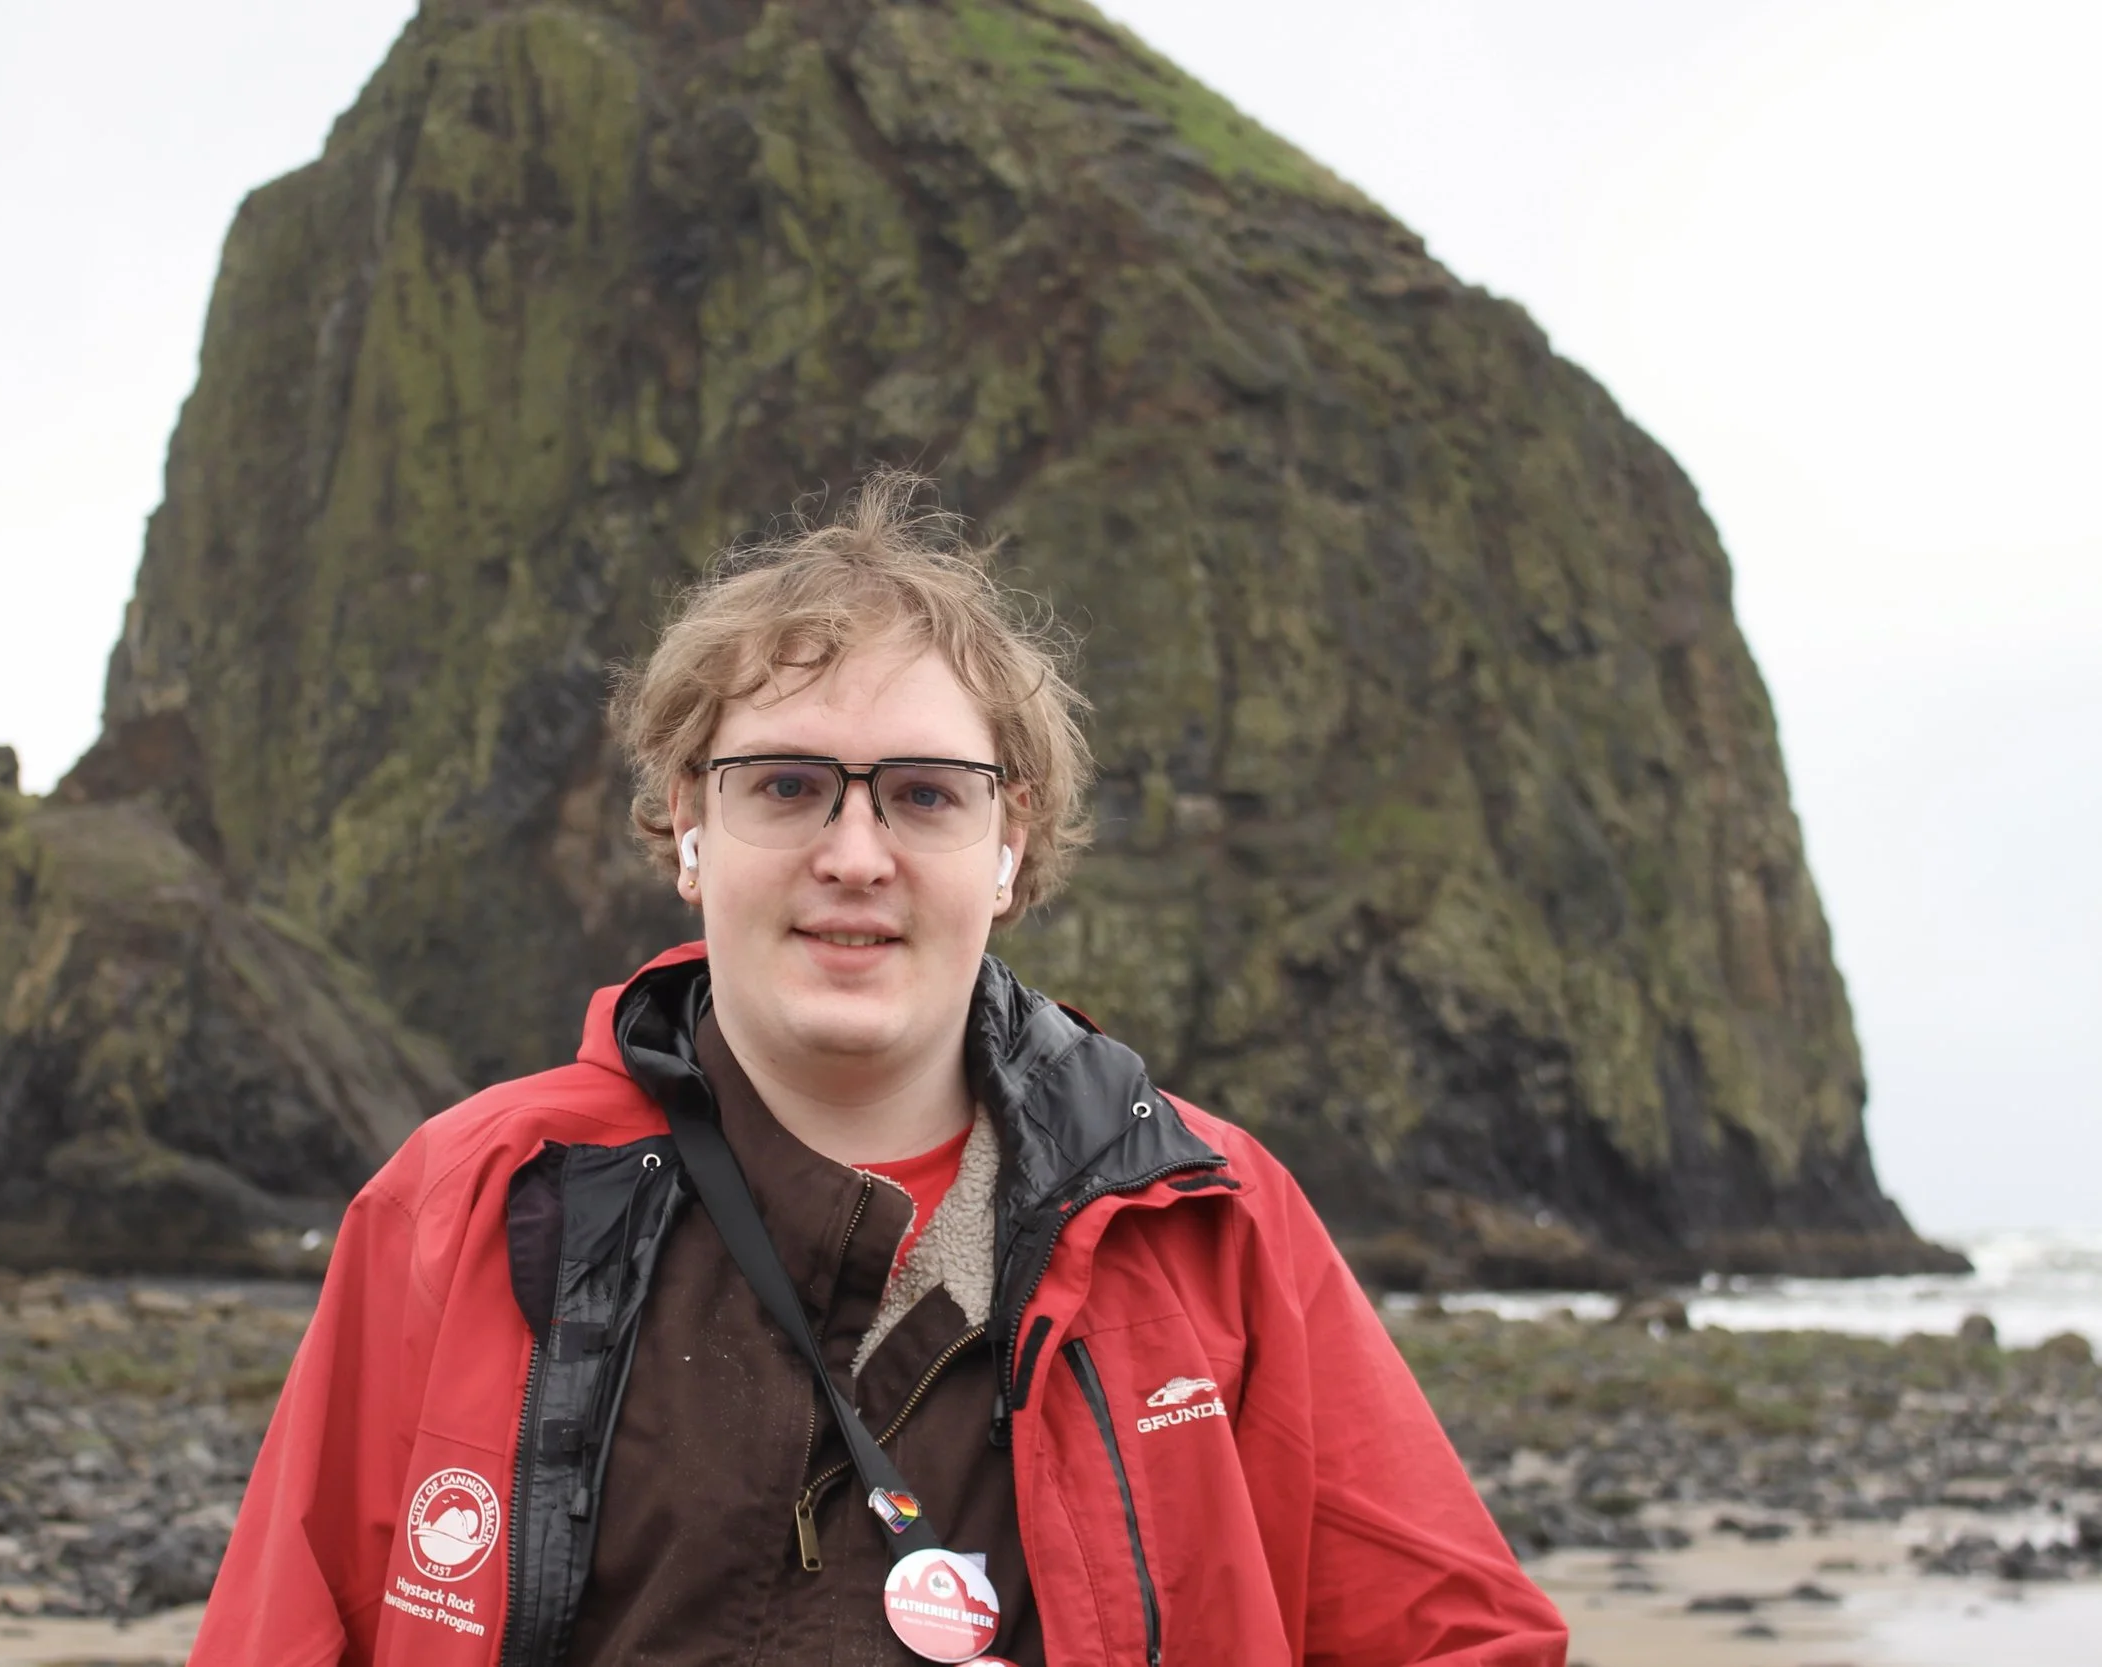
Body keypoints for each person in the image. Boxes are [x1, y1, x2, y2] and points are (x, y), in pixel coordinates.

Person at [189, 475, 1568, 1666]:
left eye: (924, 792)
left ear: (1009, 840)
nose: (855, 855)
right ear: (687, 823)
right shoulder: (478, 1198)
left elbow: (1457, 1631)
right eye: (786, 785)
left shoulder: (1202, 1214)